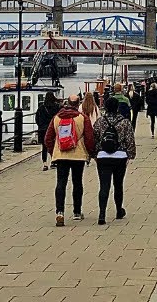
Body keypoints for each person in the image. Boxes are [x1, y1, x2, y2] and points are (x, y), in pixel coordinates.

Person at [43, 95, 95, 226]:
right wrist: (90, 154)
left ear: (67, 103)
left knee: (61, 183)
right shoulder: (82, 118)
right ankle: (77, 212)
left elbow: (48, 138)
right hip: (78, 155)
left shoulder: (56, 118)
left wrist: (53, 152)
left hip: (61, 156)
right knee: (77, 182)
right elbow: (89, 138)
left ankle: (59, 212)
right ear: (78, 104)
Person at [92, 94, 137, 224]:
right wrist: (130, 154)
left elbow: (94, 139)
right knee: (118, 184)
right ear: (117, 107)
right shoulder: (124, 122)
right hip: (120, 157)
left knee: (104, 186)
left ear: (105, 107)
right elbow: (130, 140)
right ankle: (118, 210)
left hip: (103, 157)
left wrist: (95, 154)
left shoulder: (100, 122)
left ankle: (102, 215)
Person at [35, 91, 62, 170]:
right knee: (54, 145)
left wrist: (40, 126)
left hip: (43, 129)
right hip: (53, 129)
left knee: (44, 146)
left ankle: (45, 164)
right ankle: (53, 161)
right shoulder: (57, 107)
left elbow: (37, 119)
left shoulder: (41, 108)